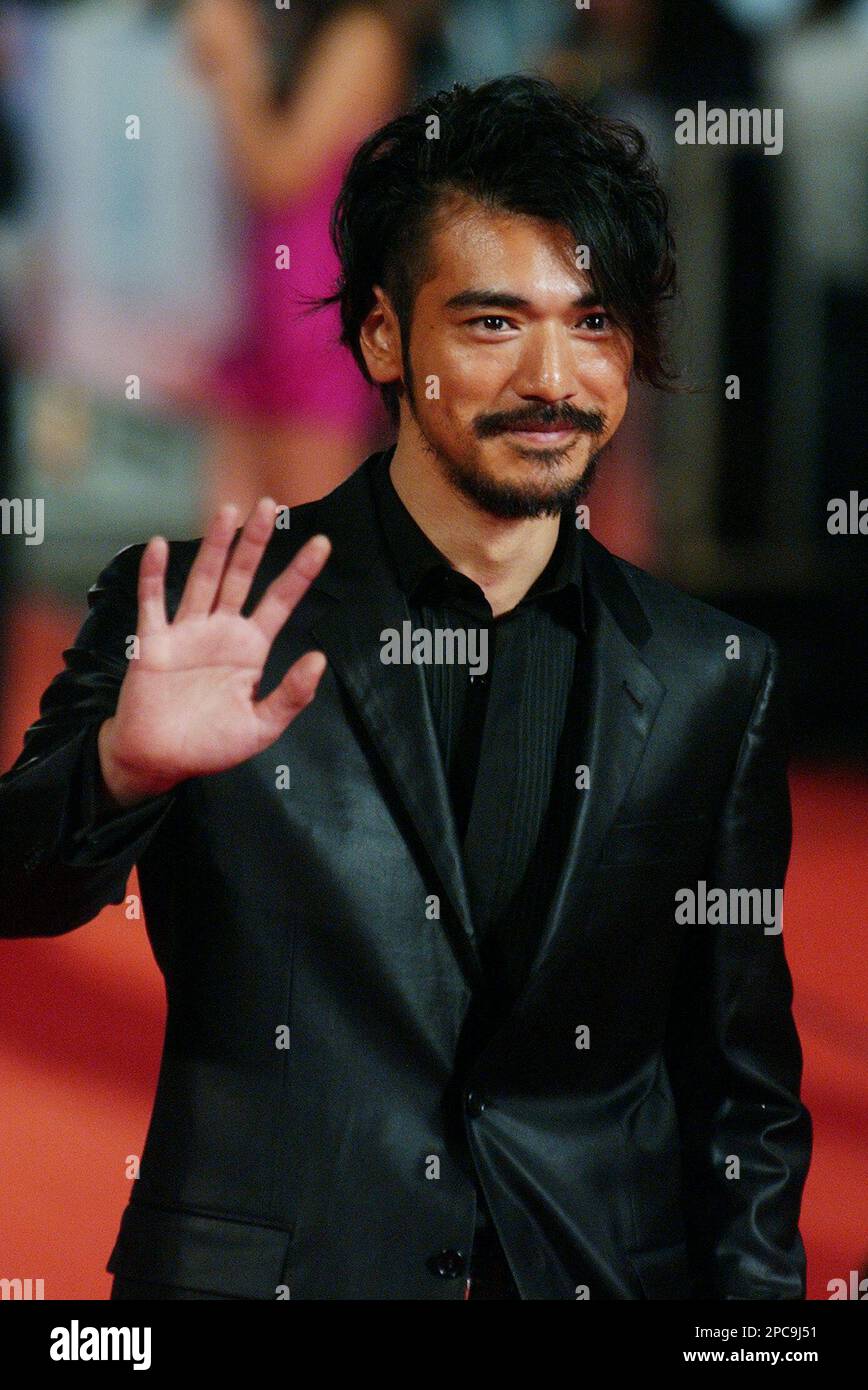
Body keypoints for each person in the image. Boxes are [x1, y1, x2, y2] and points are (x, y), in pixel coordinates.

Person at [0, 75, 811, 1300]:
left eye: (590, 322)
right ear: (384, 335)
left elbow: (741, 1100)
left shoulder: (711, 676)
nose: (553, 377)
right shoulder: (207, 613)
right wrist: (122, 766)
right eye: (492, 323)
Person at [181, 0, 411, 515]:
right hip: (252, 316)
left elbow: (277, 174)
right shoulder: (284, 31)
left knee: (310, 553)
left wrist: (235, 61)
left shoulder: (362, 32)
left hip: (317, 321)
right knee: (229, 548)